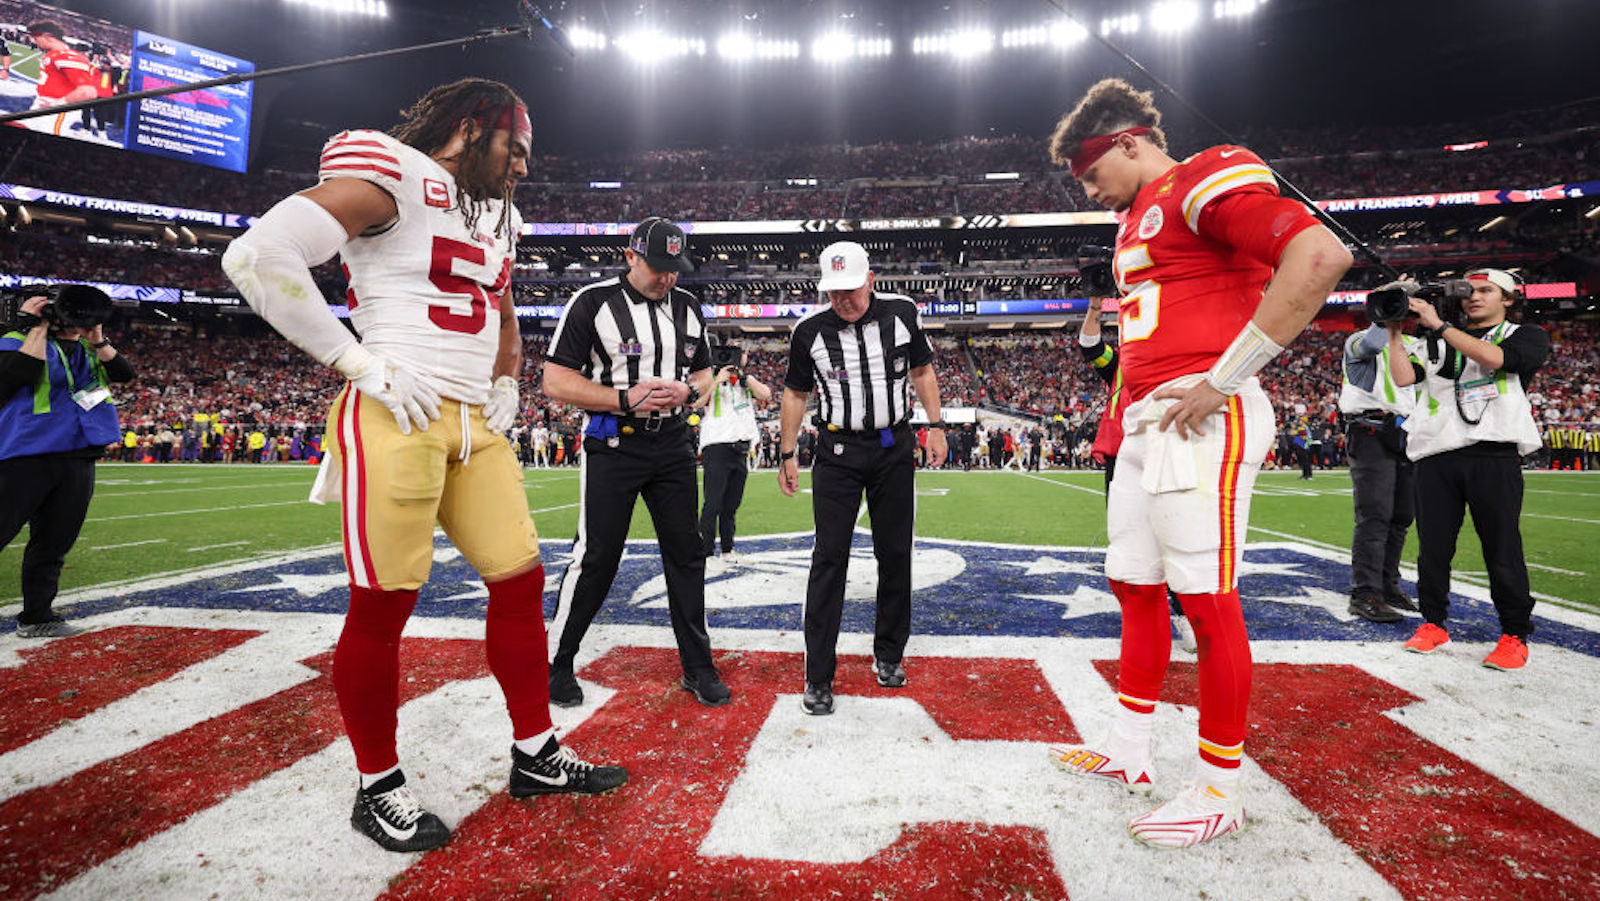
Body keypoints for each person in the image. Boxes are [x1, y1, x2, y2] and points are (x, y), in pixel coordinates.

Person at [221, 77, 626, 855]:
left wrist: (507, 377)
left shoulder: (501, 216)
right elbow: (258, 253)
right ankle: (378, 784)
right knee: (384, 603)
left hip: (476, 422)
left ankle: (535, 753)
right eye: (518, 148)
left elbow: (499, 305)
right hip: (397, 410)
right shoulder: (393, 170)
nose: (524, 168)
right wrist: (355, 360)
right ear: (473, 129)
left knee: (519, 578)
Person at [1042, 78, 1353, 848]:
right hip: (1150, 418)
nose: (1090, 192)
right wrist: (1119, 425)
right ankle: (1130, 748)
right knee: (1134, 582)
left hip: (1202, 413)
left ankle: (1220, 787)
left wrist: (1226, 376)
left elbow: (1319, 253)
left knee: (1207, 604)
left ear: (1128, 141)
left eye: (1089, 175)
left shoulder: (1203, 176)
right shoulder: (1133, 222)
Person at [542, 216, 731, 710]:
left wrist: (689, 390)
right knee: (599, 556)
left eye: (675, 269)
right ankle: (559, 661)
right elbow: (555, 381)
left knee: (686, 554)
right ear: (631, 256)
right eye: (658, 267)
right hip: (614, 443)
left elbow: (706, 375)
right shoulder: (593, 302)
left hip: (672, 444)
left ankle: (697, 664)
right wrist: (622, 398)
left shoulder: (689, 307)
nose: (667, 278)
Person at [777, 240, 949, 716]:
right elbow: (794, 395)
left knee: (895, 553)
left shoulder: (902, 313)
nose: (843, 301)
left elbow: (922, 369)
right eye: (833, 293)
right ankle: (818, 675)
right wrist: (787, 451)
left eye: (850, 290)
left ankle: (889, 654)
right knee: (828, 558)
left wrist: (935, 427)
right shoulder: (808, 331)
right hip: (836, 451)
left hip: (893, 446)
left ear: (870, 280)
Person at [1386, 269, 1548, 669]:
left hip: (1493, 453)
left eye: (1486, 291)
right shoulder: (1437, 339)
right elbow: (1404, 377)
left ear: (1509, 299)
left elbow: (1496, 359)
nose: (1473, 297)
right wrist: (1393, 329)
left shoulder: (1525, 335)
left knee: (1502, 547)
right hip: (1436, 454)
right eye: (1468, 291)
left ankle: (1514, 633)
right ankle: (1433, 623)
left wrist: (1439, 325)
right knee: (1433, 550)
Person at [0, 286, 130, 638]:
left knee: (53, 543)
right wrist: (37, 328)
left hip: (78, 455)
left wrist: (98, 337)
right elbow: (15, 377)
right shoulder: (13, 339)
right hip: (26, 453)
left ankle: (36, 616)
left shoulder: (89, 349)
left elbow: (123, 372)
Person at [1077, 293, 1196, 654]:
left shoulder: (1180, 362)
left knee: (1173, 535)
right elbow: (1089, 345)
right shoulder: (1121, 363)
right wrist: (1096, 306)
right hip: (1121, 456)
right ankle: (1143, 616)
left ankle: (1183, 611)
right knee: (1129, 540)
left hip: (1168, 450)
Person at [1339, 321, 1420, 623]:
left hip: (1407, 431)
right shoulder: (1360, 338)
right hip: (1371, 428)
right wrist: (1386, 319)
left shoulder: (1418, 345)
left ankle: (1387, 585)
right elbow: (1371, 347)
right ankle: (1365, 593)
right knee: (1375, 515)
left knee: (1401, 515)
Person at [694, 340, 771, 567]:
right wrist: (717, 380)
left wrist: (744, 377)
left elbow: (765, 393)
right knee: (713, 502)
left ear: (745, 356)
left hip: (741, 447)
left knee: (731, 505)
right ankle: (706, 553)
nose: (733, 356)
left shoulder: (746, 381)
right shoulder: (711, 379)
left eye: (739, 352)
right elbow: (696, 401)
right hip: (717, 445)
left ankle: (727, 550)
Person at [21, 22, 100, 138]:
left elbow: (88, 92)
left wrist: (56, 104)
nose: (33, 41)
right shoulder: (53, 54)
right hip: (44, 106)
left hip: (55, 112)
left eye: (35, 37)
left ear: (47, 37)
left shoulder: (68, 57)